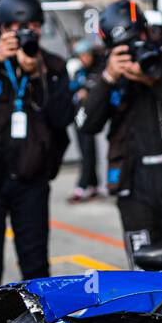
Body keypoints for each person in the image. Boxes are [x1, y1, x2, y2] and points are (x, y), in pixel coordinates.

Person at [77, 0, 162, 251]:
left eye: (137, 41)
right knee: (143, 271)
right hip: (133, 183)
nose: (133, 53)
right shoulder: (104, 75)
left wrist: (155, 82)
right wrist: (108, 79)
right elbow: (85, 124)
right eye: (124, 48)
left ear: (148, 32)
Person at [0, 0, 74, 290]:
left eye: (32, 28)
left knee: (36, 263)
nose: (26, 34)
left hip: (32, 178)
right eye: (17, 29)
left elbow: (63, 117)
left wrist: (39, 74)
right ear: (2, 29)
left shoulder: (52, 65)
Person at [66, 38, 104, 203]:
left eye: (86, 55)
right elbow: (71, 88)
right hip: (79, 115)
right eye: (81, 56)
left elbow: (101, 89)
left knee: (89, 151)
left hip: (94, 115)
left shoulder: (99, 70)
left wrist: (89, 93)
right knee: (84, 149)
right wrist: (78, 93)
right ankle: (92, 184)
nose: (84, 59)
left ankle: (82, 186)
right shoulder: (79, 71)